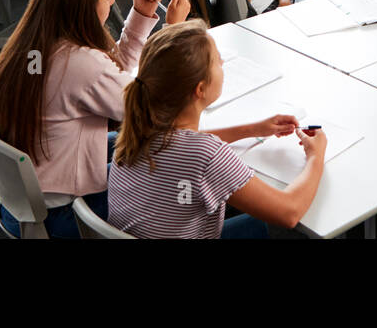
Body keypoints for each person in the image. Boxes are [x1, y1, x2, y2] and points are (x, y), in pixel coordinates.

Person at [0, 0, 189, 238]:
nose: (110, 3)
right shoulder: (79, 63)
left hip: (19, 199)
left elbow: (110, 74)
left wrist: (142, 15)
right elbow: (151, 107)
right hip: (57, 215)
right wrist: (173, 30)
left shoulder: (33, 41)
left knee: (134, 145)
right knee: (171, 179)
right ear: (85, 6)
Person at [108, 20, 326, 238]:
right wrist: (316, 155)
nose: (222, 61)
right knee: (289, 230)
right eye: (216, 60)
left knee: (251, 218)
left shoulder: (139, 127)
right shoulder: (206, 154)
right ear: (200, 89)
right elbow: (289, 212)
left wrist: (253, 129)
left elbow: (183, 145)